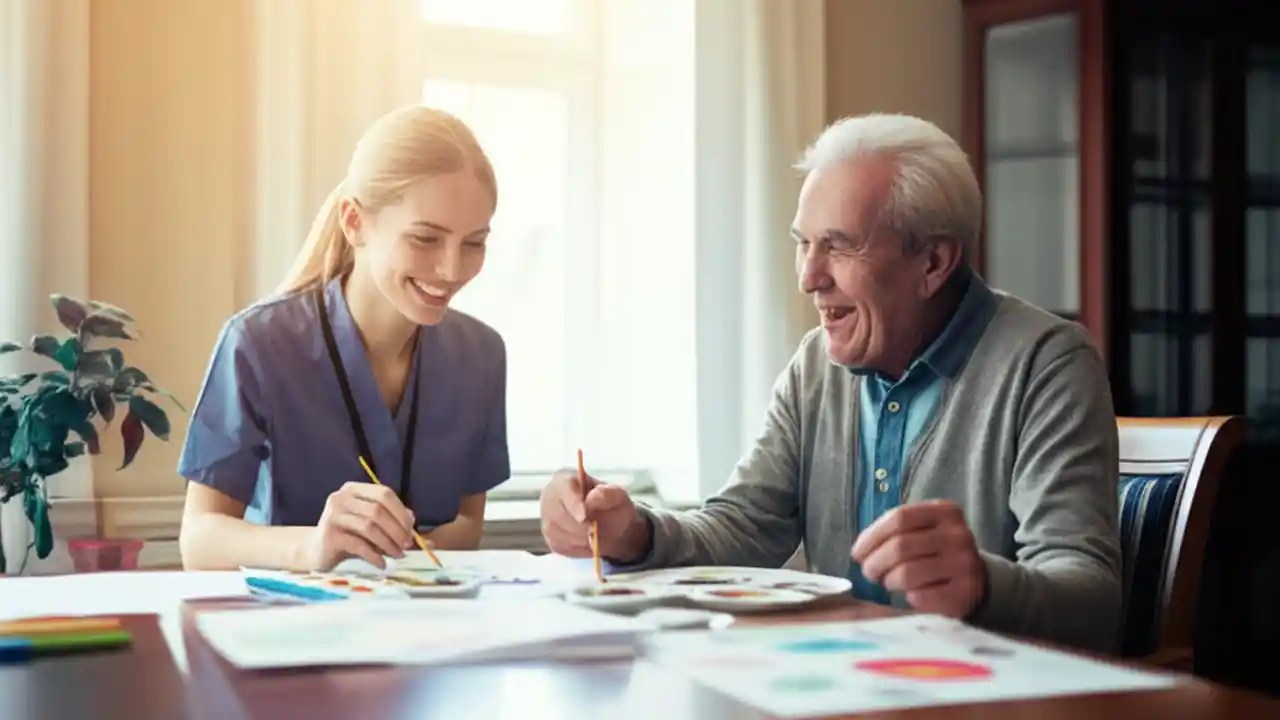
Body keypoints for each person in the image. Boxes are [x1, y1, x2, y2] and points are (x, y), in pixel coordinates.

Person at [540, 113, 1122, 652]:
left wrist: (983, 586)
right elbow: (744, 528)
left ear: (933, 263)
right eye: (803, 243)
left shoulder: (1047, 363)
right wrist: (632, 532)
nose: (809, 277)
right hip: (841, 678)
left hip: (980, 696)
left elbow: (1093, 604)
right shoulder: (816, 363)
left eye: (839, 245)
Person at [178, 105, 509, 571]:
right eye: (424, 239)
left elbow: (466, 524)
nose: (452, 270)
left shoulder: (482, 356)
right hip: (284, 630)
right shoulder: (257, 344)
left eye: (474, 243)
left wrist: (392, 555)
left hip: (429, 628)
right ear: (355, 222)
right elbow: (199, 540)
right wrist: (314, 547)